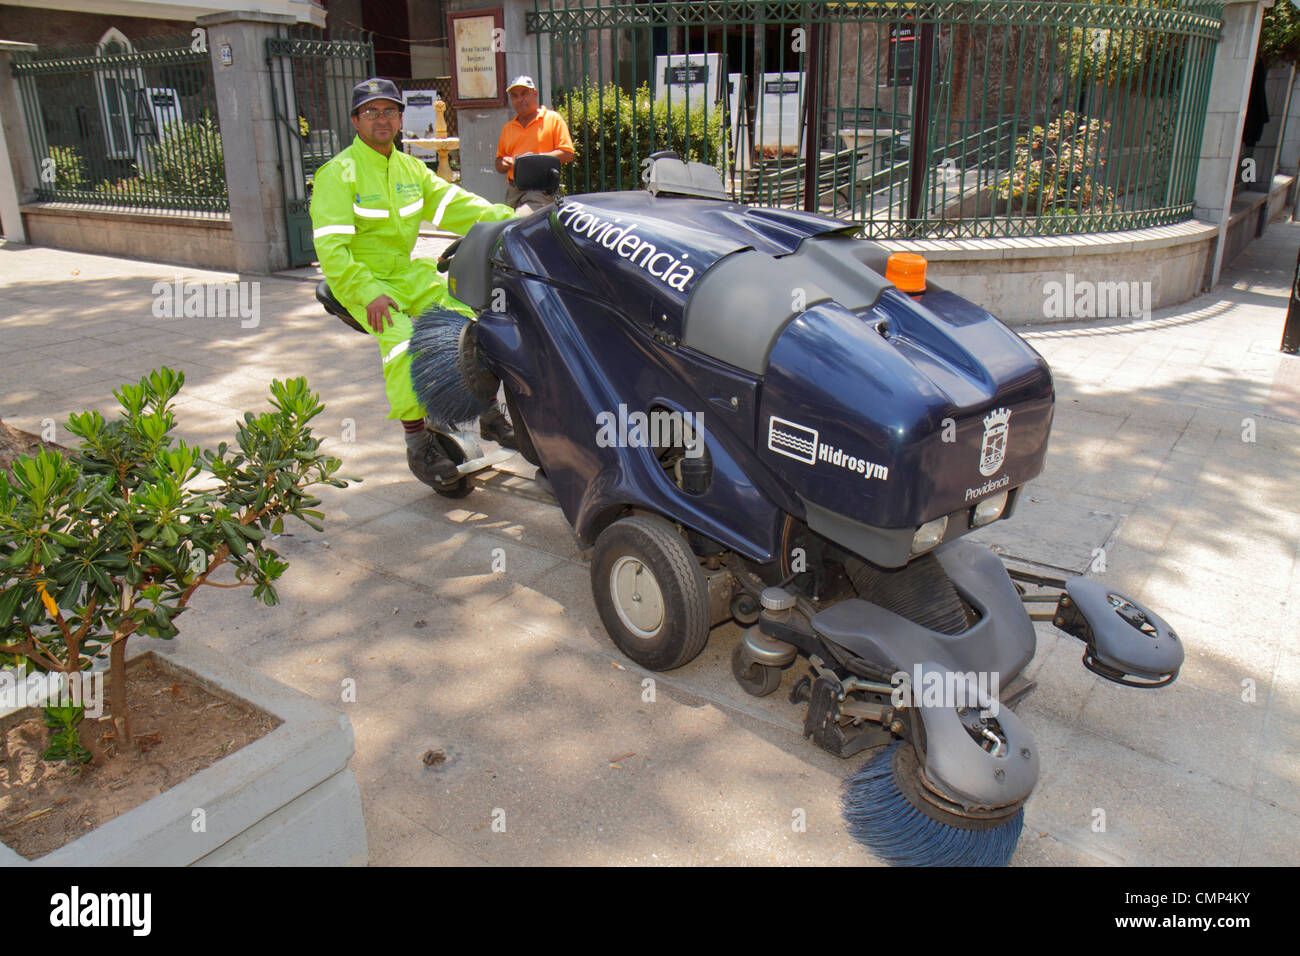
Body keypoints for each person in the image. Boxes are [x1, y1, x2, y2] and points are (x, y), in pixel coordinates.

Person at [310, 77, 517, 488]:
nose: (381, 119)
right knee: (403, 343)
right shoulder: (338, 174)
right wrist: (367, 292)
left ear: (401, 117)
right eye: (371, 112)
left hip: (408, 273)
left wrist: (514, 220)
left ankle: (489, 415)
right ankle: (417, 442)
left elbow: (456, 205)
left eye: (389, 110)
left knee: (469, 320)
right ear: (356, 121)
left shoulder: (408, 168)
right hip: (362, 281)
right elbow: (332, 251)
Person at [494, 75, 575, 210]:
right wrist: (503, 163)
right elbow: (498, 162)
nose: (520, 99)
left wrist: (532, 161)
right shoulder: (508, 128)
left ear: (535, 94)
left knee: (521, 222)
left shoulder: (553, 119)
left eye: (524, 94)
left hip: (541, 190)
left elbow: (567, 153)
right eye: (515, 96)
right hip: (513, 191)